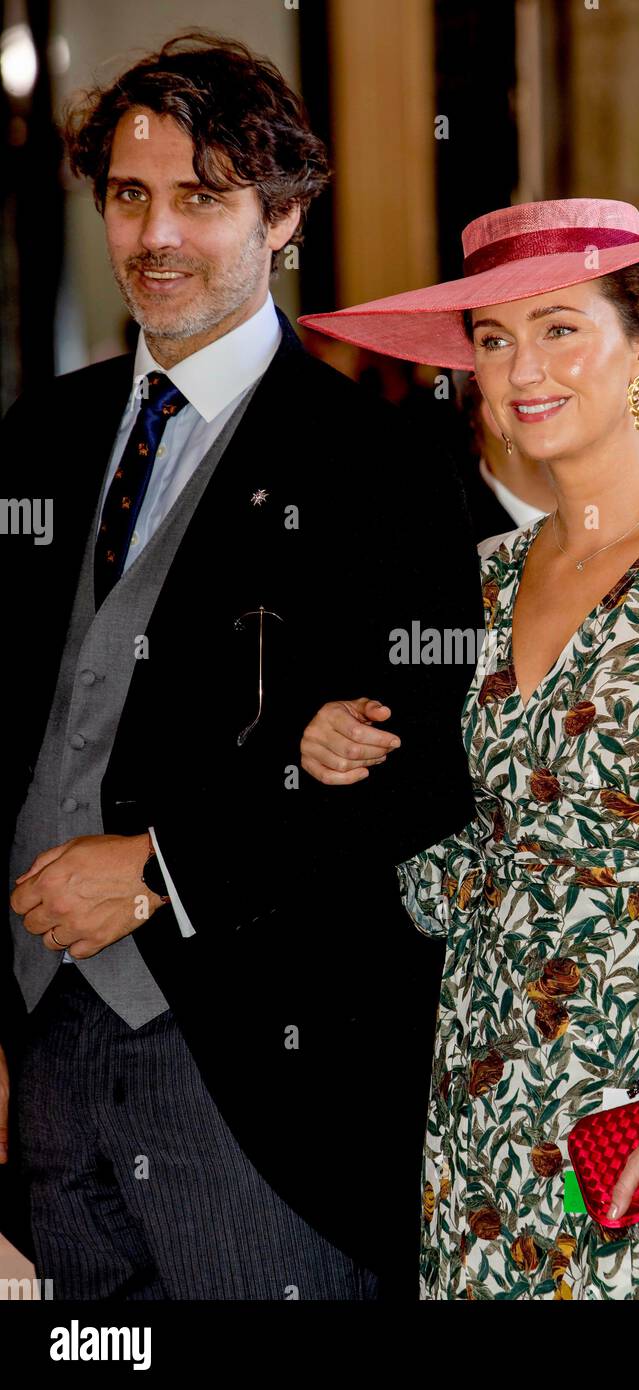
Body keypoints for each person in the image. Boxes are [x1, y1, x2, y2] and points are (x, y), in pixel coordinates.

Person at [0, 31, 481, 1301]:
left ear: (282, 217)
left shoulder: (381, 467)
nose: (157, 234)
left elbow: (427, 770)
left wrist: (163, 872)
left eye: (203, 198)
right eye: (129, 195)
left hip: (264, 1084)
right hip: (41, 1065)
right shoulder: (40, 439)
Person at [297, 197, 639, 1298]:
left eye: (556, 328)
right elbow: (456, 858)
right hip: (485, 1099)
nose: (518, 367)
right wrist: (343, 758)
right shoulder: (477, 581)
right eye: (491, 338)